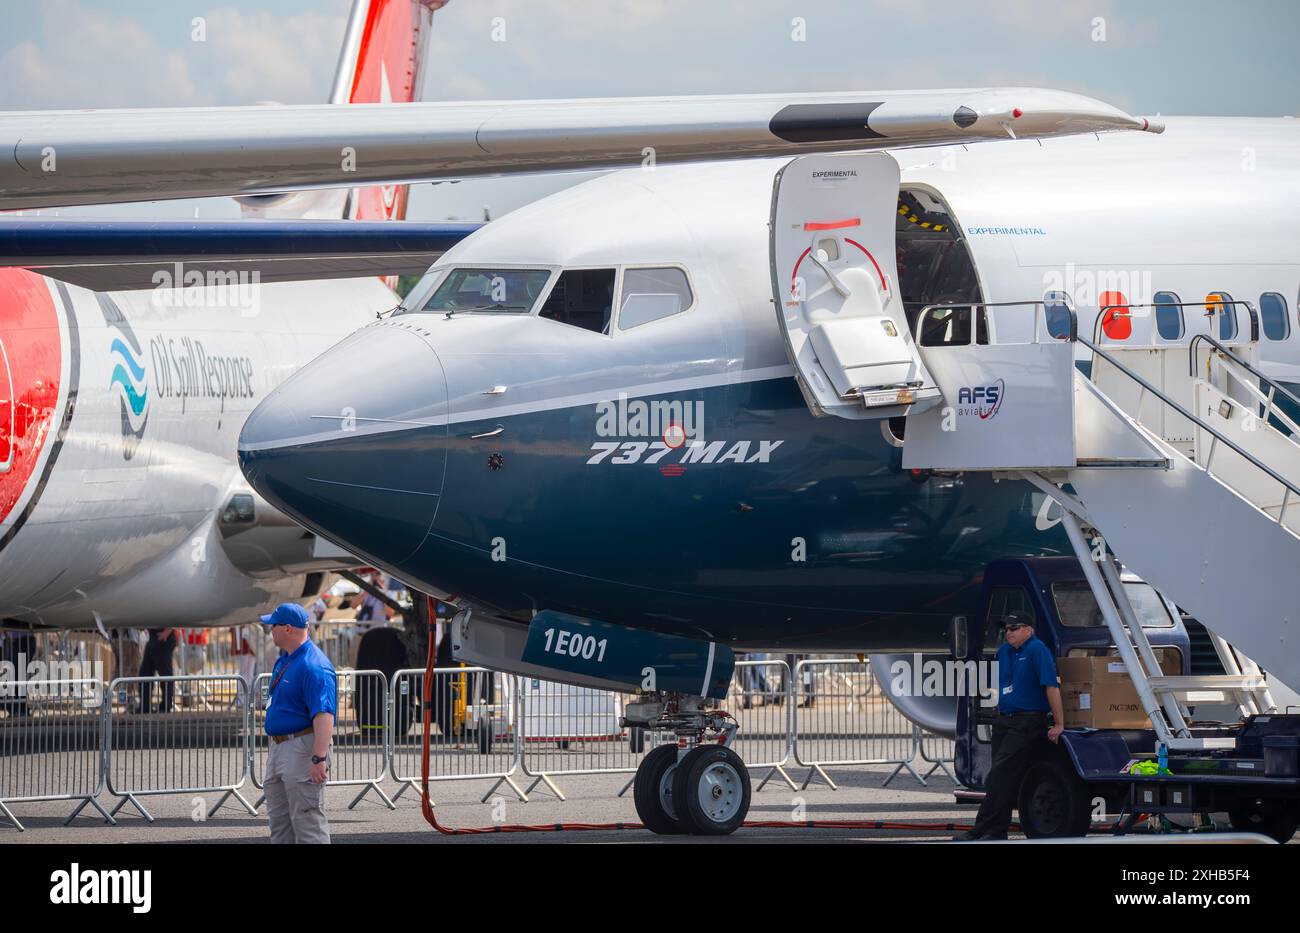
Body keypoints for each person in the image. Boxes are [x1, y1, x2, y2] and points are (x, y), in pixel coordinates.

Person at [956, 610, 1065, 841]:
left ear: (1028, 629)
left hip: (1027, 720)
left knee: (998, 774)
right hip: (1005, 719)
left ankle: (981, 827)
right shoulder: (1003, 652)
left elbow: (1051, 687)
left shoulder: (1037, 650)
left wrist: (1058, 723)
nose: (1009, 633)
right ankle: (997, 830)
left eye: (1014, 628)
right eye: (1006, 629)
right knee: (1002, 777)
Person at [261, 602, 336, 844]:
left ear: (288, 628)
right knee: (280, 825)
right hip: (282, 747)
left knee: (308, 824)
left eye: (274, 625)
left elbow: (324, 714)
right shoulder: (286, 659)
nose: (270, 629)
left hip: (301, 747)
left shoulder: (314, 665)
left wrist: (319, 758)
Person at [138, 628, 178, 713]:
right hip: (154, 636)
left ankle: (165, 705)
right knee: (145, 673)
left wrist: (167, 631)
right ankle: (145, 706)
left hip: (163, 635)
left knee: (165, 674)